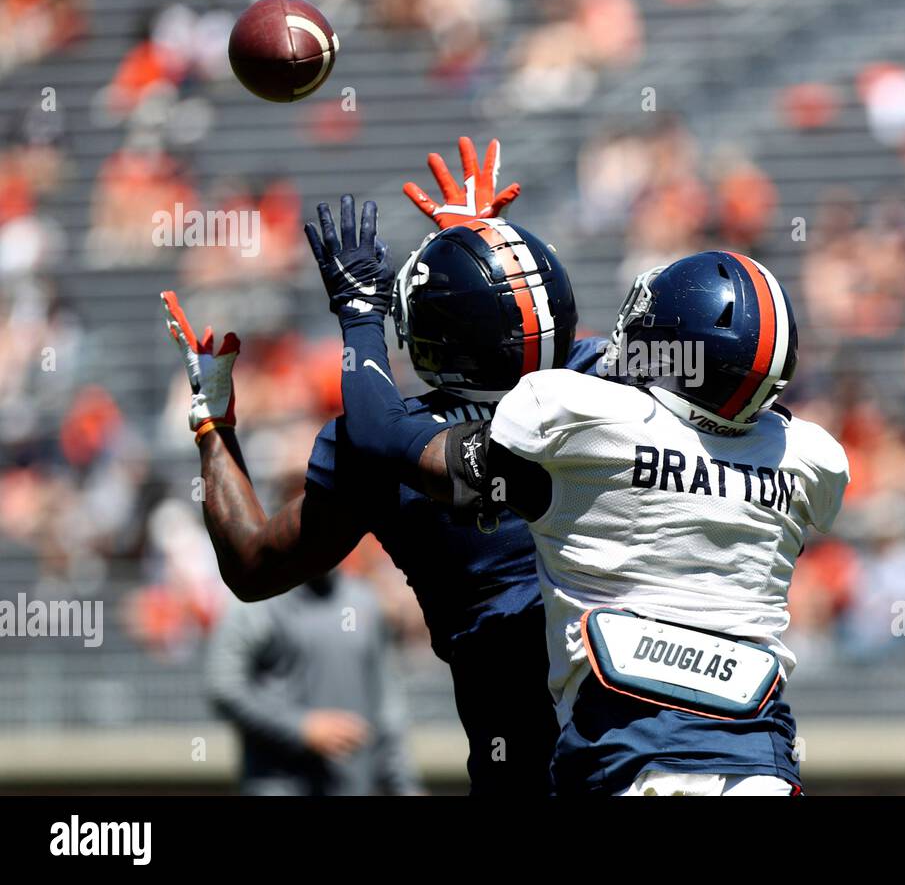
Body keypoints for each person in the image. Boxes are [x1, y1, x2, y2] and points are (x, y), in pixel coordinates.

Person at [306, 198, 851, 795]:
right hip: (761, 765)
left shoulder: (580, 425)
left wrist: (368, 309)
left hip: (631, 759)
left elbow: (384, 433)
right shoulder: (803, 457)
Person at [162, 138, 597, 794]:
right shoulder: (610, 396)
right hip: (652, 739)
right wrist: (481, 260)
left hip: (524, 761)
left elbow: (251, 565)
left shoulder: (380, 451)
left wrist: (213, 421)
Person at [207, 571, 420, 796]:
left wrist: (405, 786)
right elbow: (224, 687)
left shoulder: (364, 603)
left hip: (351, 786)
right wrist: (300, 726)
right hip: (278, 784)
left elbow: (387, 708)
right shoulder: (256, 600)